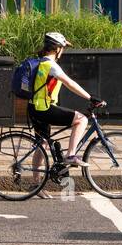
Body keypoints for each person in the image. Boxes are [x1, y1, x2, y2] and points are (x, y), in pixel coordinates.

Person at [28, 31, 100, 168]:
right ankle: (70, 155)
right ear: (57, 48)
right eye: (63, 48)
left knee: (42, 145)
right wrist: (90, 97)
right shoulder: (51, 65)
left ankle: (36, 184)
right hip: (44, 108)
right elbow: (70, 83)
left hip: (34, 107)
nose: (63, 51)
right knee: (81, 120)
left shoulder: (40, 62)